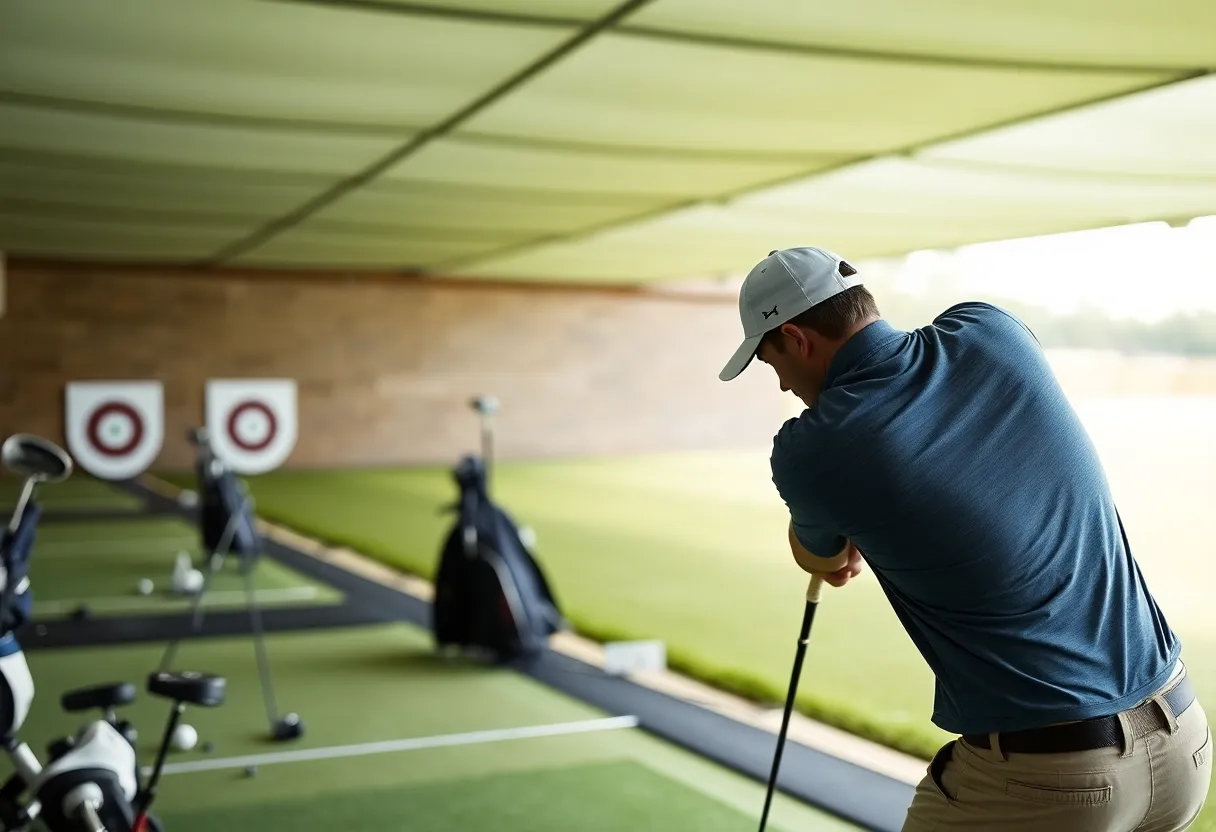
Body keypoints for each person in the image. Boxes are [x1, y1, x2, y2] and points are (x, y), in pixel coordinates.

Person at [719, 246, 1212, 831]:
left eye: (770, 361)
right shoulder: (991, 329)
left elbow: (824, 558)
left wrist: (840, 528)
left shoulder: (813, 448)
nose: (781, 385)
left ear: (796, 339)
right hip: (1182, 739)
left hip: (1051, 782)